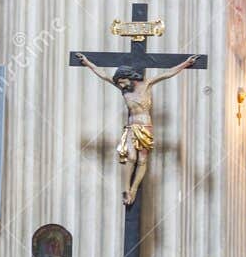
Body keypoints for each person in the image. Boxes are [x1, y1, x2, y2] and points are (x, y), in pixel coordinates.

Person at [78, 55, 198, 207]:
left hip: (145, 127)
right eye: (119, 83)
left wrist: (185, 64)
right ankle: (126, 188)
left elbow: (167, 74)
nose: (121, 85)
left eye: (122, 81)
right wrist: (87, 63)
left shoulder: (146, 84)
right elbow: (103, 75)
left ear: (129, 77)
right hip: (131, 127)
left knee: (142, 160)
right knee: (130, 157)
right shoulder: (123, 90)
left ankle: (134, 188)